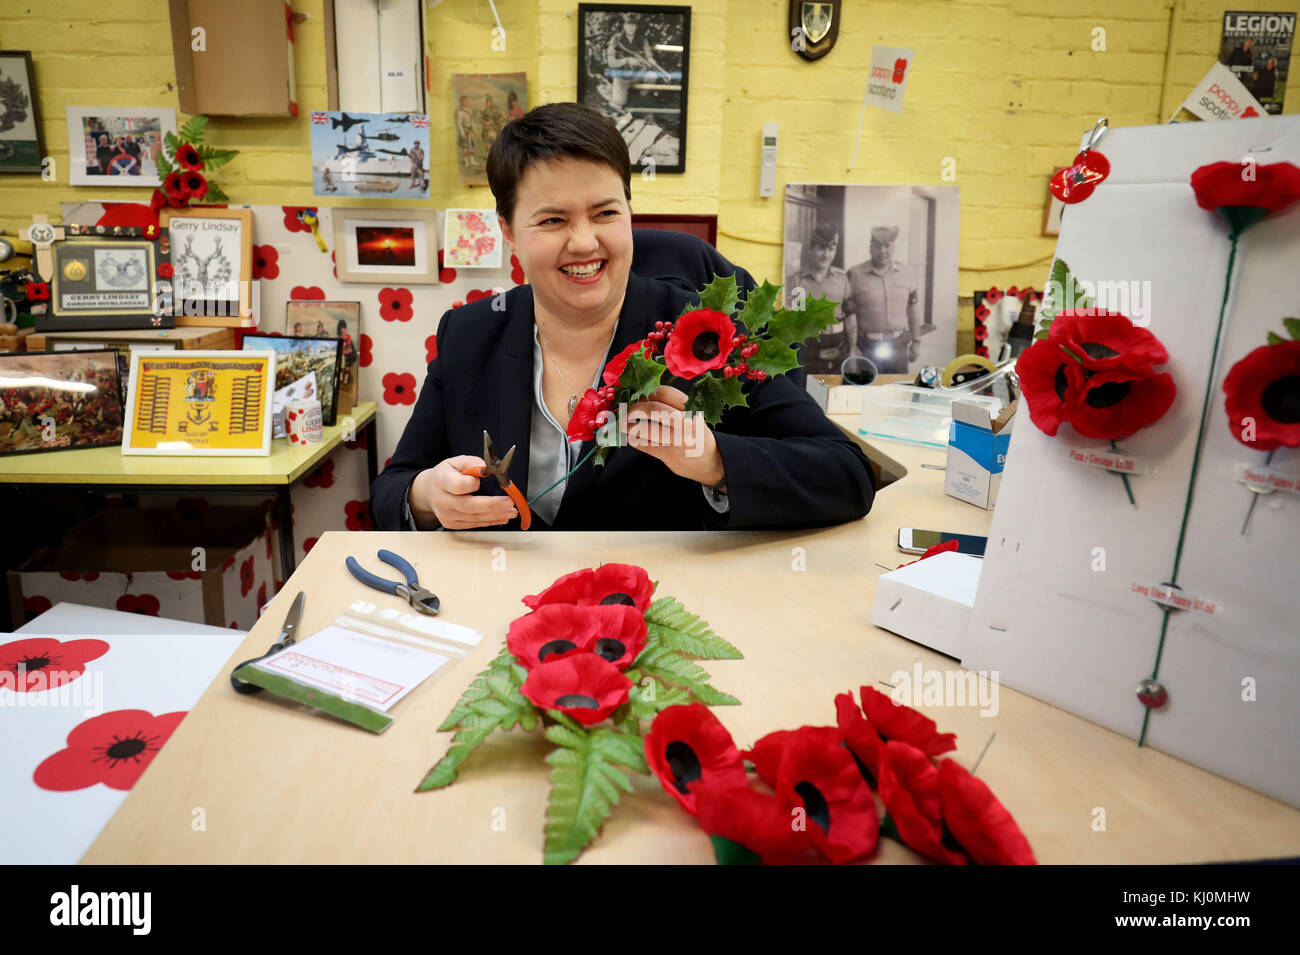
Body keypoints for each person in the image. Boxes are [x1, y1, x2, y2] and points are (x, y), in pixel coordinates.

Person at [370, 102, 875, 532]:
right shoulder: (469, 335)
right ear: (508, 231)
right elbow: (390, 489)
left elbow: (847, 475)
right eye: (552, 220)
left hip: (655, 614)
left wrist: (713, 461)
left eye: (606, 213)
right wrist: (426, 494)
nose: (585, 241)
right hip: (506, 610)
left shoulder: (701, 334)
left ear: (630, 213)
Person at [844, 226, 919, 374]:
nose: (882, 251)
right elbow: (848, 315)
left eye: (887, 246)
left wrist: (916, 341)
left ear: (893, 247)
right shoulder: (855, 275)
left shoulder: (906, 273)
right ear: (870, 247)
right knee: (870, 392)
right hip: (867, 347)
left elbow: (913, 310)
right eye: (877, 246)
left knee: (897, 390)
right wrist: (852, 351)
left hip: (899, 345)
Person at [788, 224, 850, 374]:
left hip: (837, 345)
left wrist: (850, 348)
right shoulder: (797, 282)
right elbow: (794, 324)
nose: (826, 255)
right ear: (811, 249)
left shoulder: (842, 279)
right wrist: (813, 354)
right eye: (821, 248)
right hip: (809, 347)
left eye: (831, 249)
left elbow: (850, 316)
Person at [605, 15, 666, 108]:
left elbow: (649, 57)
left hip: (638, 75)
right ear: (624, 25)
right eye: (628, 24)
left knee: (652, 76)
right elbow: (611, 63)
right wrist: (627, 60)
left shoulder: (642, 39)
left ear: (637, 26)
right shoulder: (616, 39)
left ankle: (640, 98)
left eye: (634, 25)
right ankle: (619, 94)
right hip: (622, 77)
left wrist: (654, 64)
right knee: (618, 104)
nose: (631, 27)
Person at [455, 95, 477, 168]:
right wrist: (462, 133)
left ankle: (472, 161)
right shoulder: (460, 112)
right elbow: (459, 123)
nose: (467, 102)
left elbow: (472, 121)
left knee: (471, 146)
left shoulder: (469, 110)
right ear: (461, 102)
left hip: (470, 131)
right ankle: (467, 163)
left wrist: (474, 129)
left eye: (467, 100)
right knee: (464, 147)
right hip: (464, 131)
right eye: (465, 101)